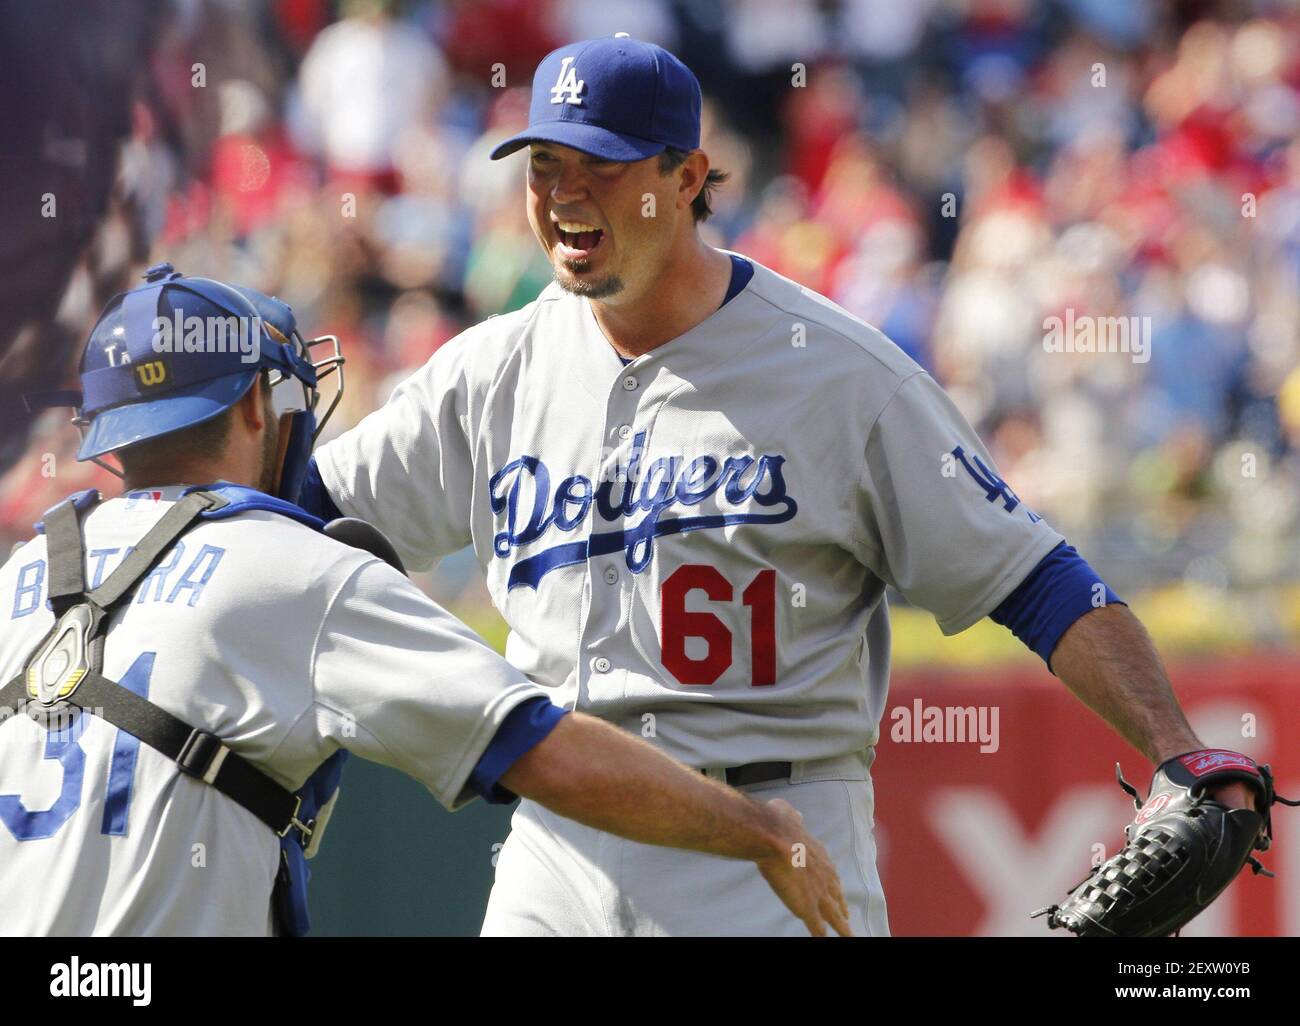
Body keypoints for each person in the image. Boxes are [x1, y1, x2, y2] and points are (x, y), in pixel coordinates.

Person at [300, 36, 1255, 937]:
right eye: (544, 165)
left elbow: (1033, 578)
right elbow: (301, 517)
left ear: (686, 180)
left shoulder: (839, 374)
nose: (565, 195)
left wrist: (1179, 746)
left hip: (770, 836)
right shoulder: (491, 370)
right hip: (559, 838)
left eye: (602, 166)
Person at [0, 265, 850, 937]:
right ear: (259, 402)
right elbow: (544, 753)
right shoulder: (289, 568)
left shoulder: (17, 580)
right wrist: (765, 831)